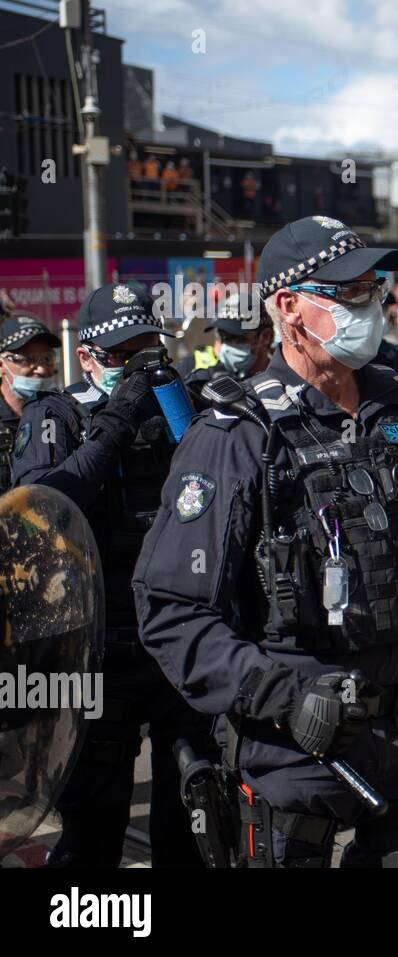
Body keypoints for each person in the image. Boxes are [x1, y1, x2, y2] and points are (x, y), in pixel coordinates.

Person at [132, 215, 398, 867]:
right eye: (346, 291)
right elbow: (171, 608)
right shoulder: (237, 436)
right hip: (298, 757)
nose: (369, 304)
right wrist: (280, 694)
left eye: (373, 288)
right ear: (288, 307)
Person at [14, 281, 211, 868]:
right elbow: (42, 509)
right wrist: (114, 422)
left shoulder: (177, 410)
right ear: (86, 358)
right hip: (96, 650)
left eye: (148, 352)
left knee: (197, 816)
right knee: (94, 829)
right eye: (122, 358)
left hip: (179, 638)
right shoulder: (56, 416)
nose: (137, 372)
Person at [0, 314, 61, 490]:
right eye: (28, 359)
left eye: (47, 359)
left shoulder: (63, 413)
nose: (41, 369)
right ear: (1, 364)